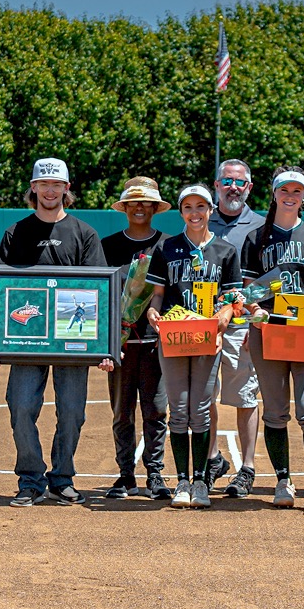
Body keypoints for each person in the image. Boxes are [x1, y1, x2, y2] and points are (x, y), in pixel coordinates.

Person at [0, 157, 114, 506]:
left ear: (66, 189)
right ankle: (30, 478)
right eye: (44, 183)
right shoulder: (16, 232)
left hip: (72, 342)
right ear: (34, 187)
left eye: (57, 184)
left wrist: (102, 346)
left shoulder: (84, 234)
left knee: (72, 413)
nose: (50, 190)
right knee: (21, 406)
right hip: (26, 340)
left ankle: (62, 477)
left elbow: (98, 296)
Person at [245, 168, 304, 513]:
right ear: (274, 193)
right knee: (275, 411)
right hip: (269, 330)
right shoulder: (257, 237)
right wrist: (254, 308)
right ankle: (283, 481)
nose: (291, 196)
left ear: (303, 196)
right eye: (285, 189)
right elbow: (248, 289)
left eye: (297, 191)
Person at [147, 184, 243, 508]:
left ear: (210, 210)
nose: (195, 213)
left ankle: (201, 481)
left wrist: (226, 315)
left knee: (201, 410)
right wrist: (152, 311)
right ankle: (182, 482)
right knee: (179, 409)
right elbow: (158, 294)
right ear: (181, 212)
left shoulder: (226, 251)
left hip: (207, 336)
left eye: (200, 206)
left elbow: (231, 298)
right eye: (188, 207)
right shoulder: (167, 248)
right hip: (174, 336)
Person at [102, 177, 171, 500]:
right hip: (121, 345)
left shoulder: (170, 245)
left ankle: (155, 474)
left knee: (156, 410)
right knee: (122, 411)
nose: (140, 207)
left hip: (157, 343)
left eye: (146, 202)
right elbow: (100, 298)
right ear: (124, 207)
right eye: (133, 202)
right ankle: (125, 475)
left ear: (156, 207)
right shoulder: (107, 246)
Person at [207, 158, 267, 497]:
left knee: (245, 396)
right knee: (204, 394)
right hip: (203, 322)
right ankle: (214, 458)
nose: (233, 187)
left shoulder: (259, 226)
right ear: (217, 185)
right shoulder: (199, 218)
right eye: (226, 181)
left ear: (249, 187)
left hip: (242, 325)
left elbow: (261, 279)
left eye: (239, 182)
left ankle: (247, 468)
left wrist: (248, 316)